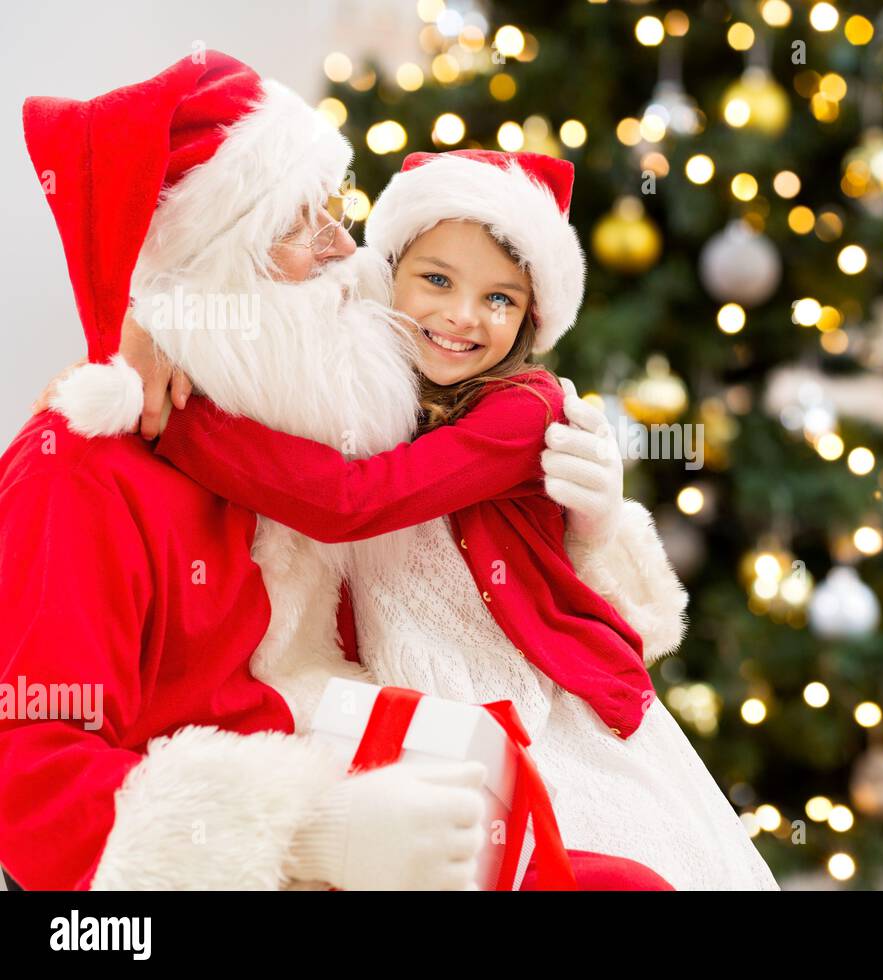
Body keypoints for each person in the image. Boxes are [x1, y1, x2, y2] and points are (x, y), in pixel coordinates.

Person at [1, 51, 679, 891]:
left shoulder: (309, 430)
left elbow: (468, 581)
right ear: (217, 262)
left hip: (393, 775)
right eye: (299, 223)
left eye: (337, 211)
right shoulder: (80, 470)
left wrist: (597, 531)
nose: (343, 247)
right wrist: (311, 839)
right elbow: (27, 787)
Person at [119, 149, 779, 889]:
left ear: (533, 316)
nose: (463, 317)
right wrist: (155, 346)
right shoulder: (372, 380)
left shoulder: (524, 410)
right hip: (412, 703)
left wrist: (177, 424)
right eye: (436, 280)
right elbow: (268, 352)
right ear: (387, 273)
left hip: (529, 710)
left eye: (500, 298)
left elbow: (352, 501)